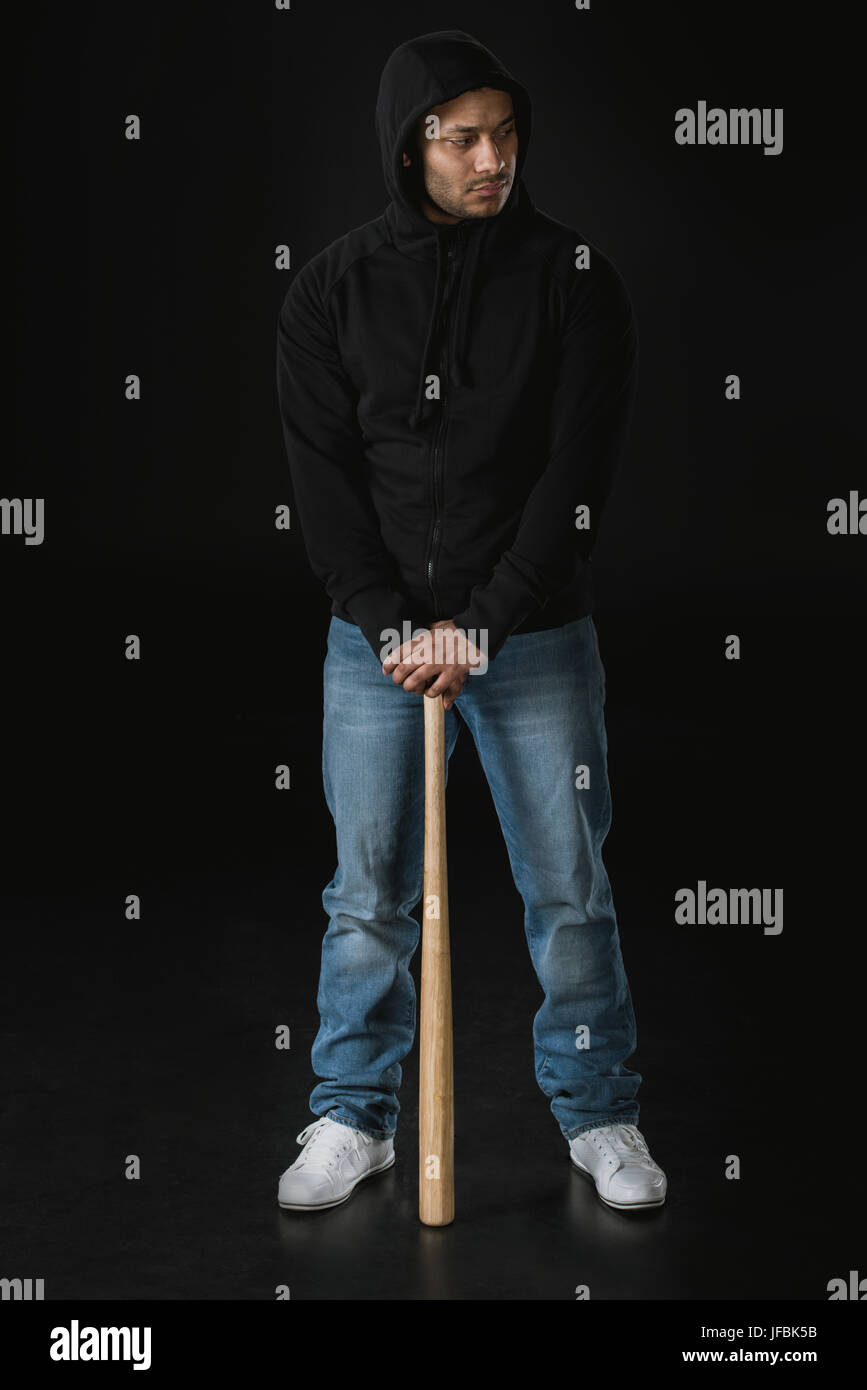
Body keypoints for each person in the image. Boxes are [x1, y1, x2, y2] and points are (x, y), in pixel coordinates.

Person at [275, 29, 667, 1214]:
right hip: (378, 647)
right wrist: (395, 625)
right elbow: (325, 486)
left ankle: (601, 1117)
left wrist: (488, 620)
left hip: (534, 633)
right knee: (368, 894)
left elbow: (575, 481)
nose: (492, 158)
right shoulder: (332, 288)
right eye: (463, 139)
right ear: (412, 149)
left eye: (505, 134)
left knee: (569, 888)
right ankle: (353, 1115)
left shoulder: (575, 276)